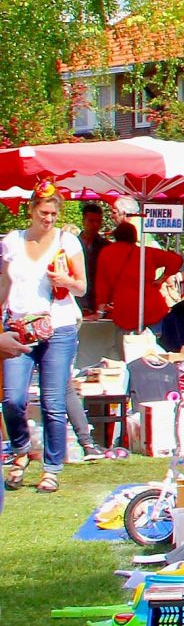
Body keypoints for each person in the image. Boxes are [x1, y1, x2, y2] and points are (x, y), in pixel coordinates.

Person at [2, 184, 85, 494]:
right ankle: (21, 449)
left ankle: (51, 468)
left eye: (53, 213)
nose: (49, 219)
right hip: (19, 327)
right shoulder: (12, 241)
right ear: (31, 211)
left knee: (52, 401)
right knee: (12, 398)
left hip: (59, 326)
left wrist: (66, 281)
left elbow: (82, 287)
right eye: (43, 213)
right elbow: (3, 284)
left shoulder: (68, 241)